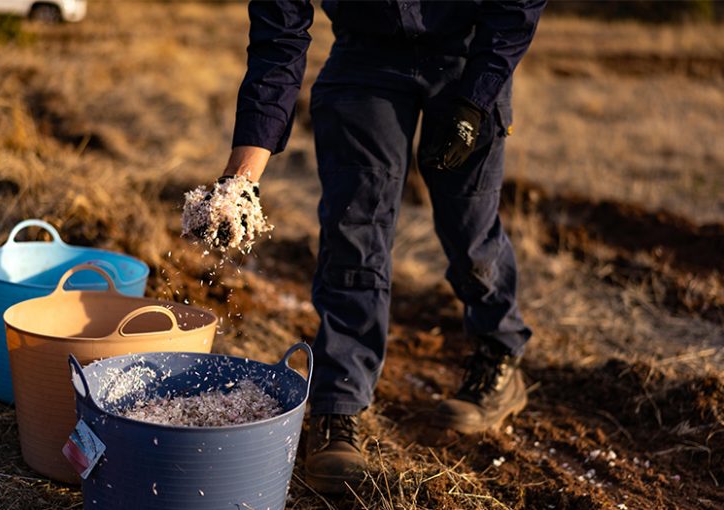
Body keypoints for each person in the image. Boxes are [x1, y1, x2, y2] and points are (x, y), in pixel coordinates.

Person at [222, 0, 546, 495]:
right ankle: (339, 407)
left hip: (468, 53)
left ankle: (498, 353)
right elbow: (279, 37)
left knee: (469, 229)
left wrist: (478, 97)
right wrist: (241, 178)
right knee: (355, 231)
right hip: (365, 60)